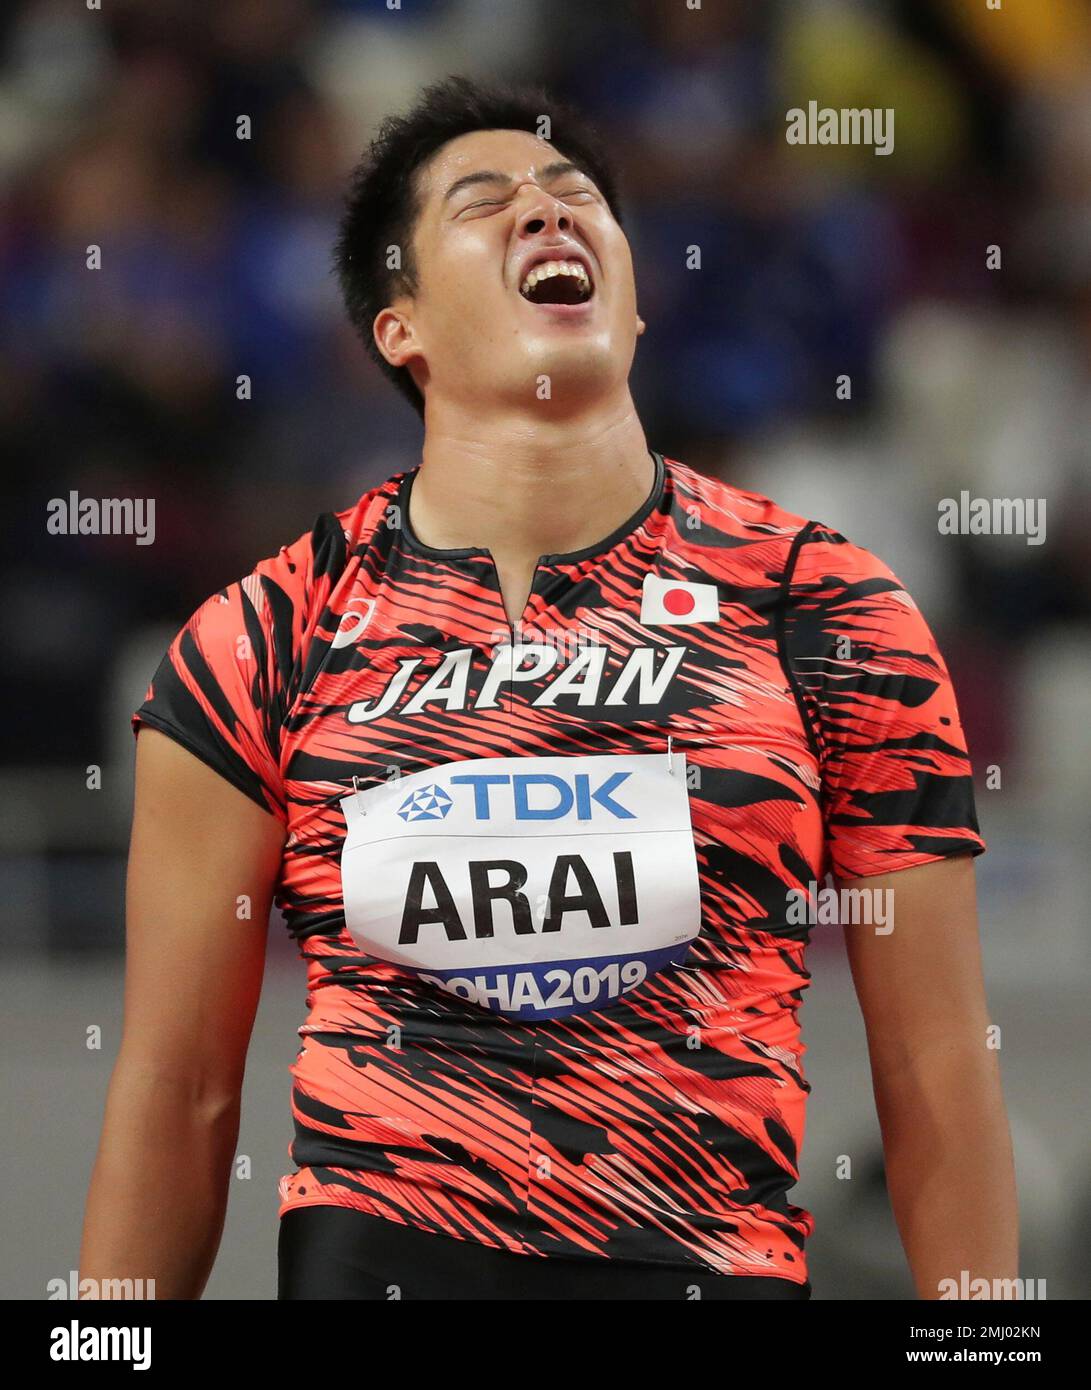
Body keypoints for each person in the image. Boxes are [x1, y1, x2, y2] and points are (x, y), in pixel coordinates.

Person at [79, 76, 1017, 1301]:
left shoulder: (829, 611)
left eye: (575, 197)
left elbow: (937, 1057)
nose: (544, 213)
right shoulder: (264, 639)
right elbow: (177, 1084)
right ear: (397, 324)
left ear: (631, 310)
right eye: (485, 201)